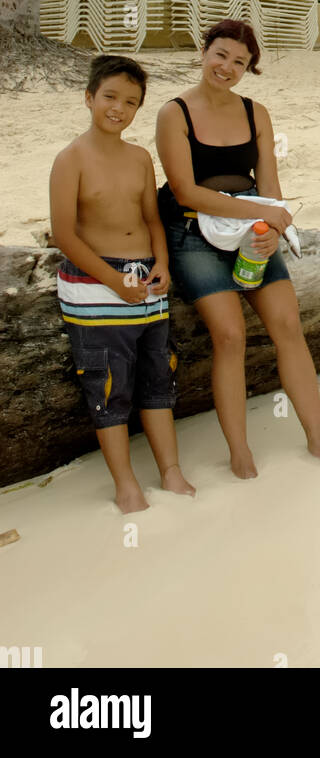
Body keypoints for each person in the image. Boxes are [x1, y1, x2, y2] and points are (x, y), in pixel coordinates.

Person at [155, 18, 320, 478]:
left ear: (248, 69)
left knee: (288, 323)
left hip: (249, 230)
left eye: (239, 62)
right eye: (220, 55)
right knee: (230, 336)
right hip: (192, 233)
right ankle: (240, 453)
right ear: (204, 52)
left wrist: (268, 227)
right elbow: (185, 191)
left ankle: (318, 437)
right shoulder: (174, 113)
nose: (227, 67)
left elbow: (268, 187)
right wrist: (257, 215)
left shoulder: (255, 113)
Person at [49, 55, 195, 514]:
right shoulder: (70, 159)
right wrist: (113, 280)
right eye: (110, 97)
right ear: (89, 97)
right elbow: (64, 234)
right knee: (109, 387)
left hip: (146, 282)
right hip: (96, 289)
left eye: (131, 102)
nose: (119, 108)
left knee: (158, 376)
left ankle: (170, 469)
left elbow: (152, 218)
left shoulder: (139, 158)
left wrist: (163, 264)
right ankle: (126, 483)